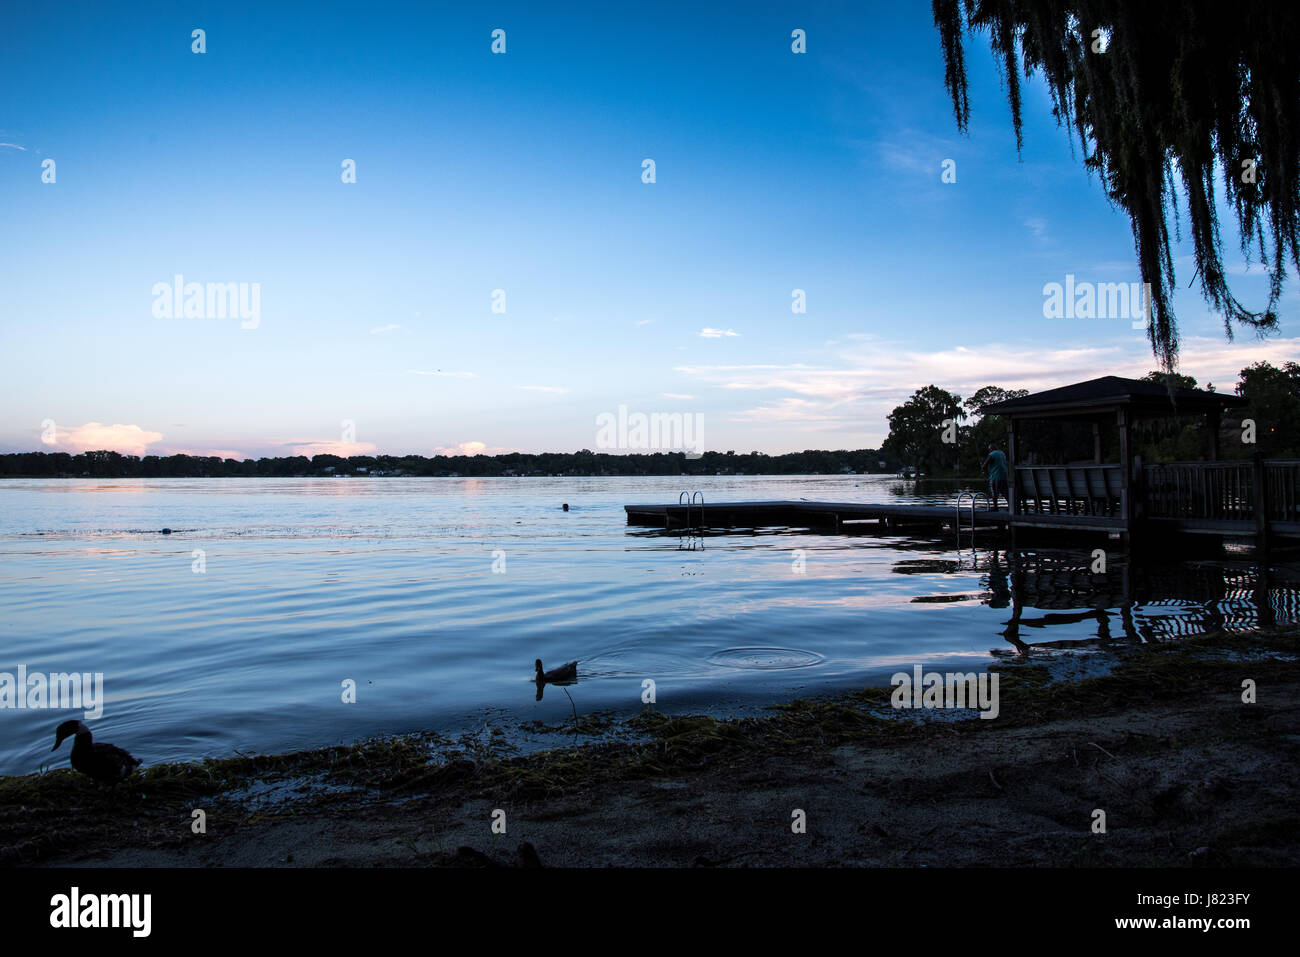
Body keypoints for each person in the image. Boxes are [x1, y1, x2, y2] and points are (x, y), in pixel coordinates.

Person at [982, 442, 1009, 511]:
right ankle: (1010, 506)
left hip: (995, 476)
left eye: (989, 449)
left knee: (994, 492)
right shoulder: (1002, 453)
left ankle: (995, 507)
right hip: (1004, 475)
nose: (989, 451)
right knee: (1005, 492)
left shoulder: (992, 454)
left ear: (991, 449)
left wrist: (983, 466)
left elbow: (985, 464)